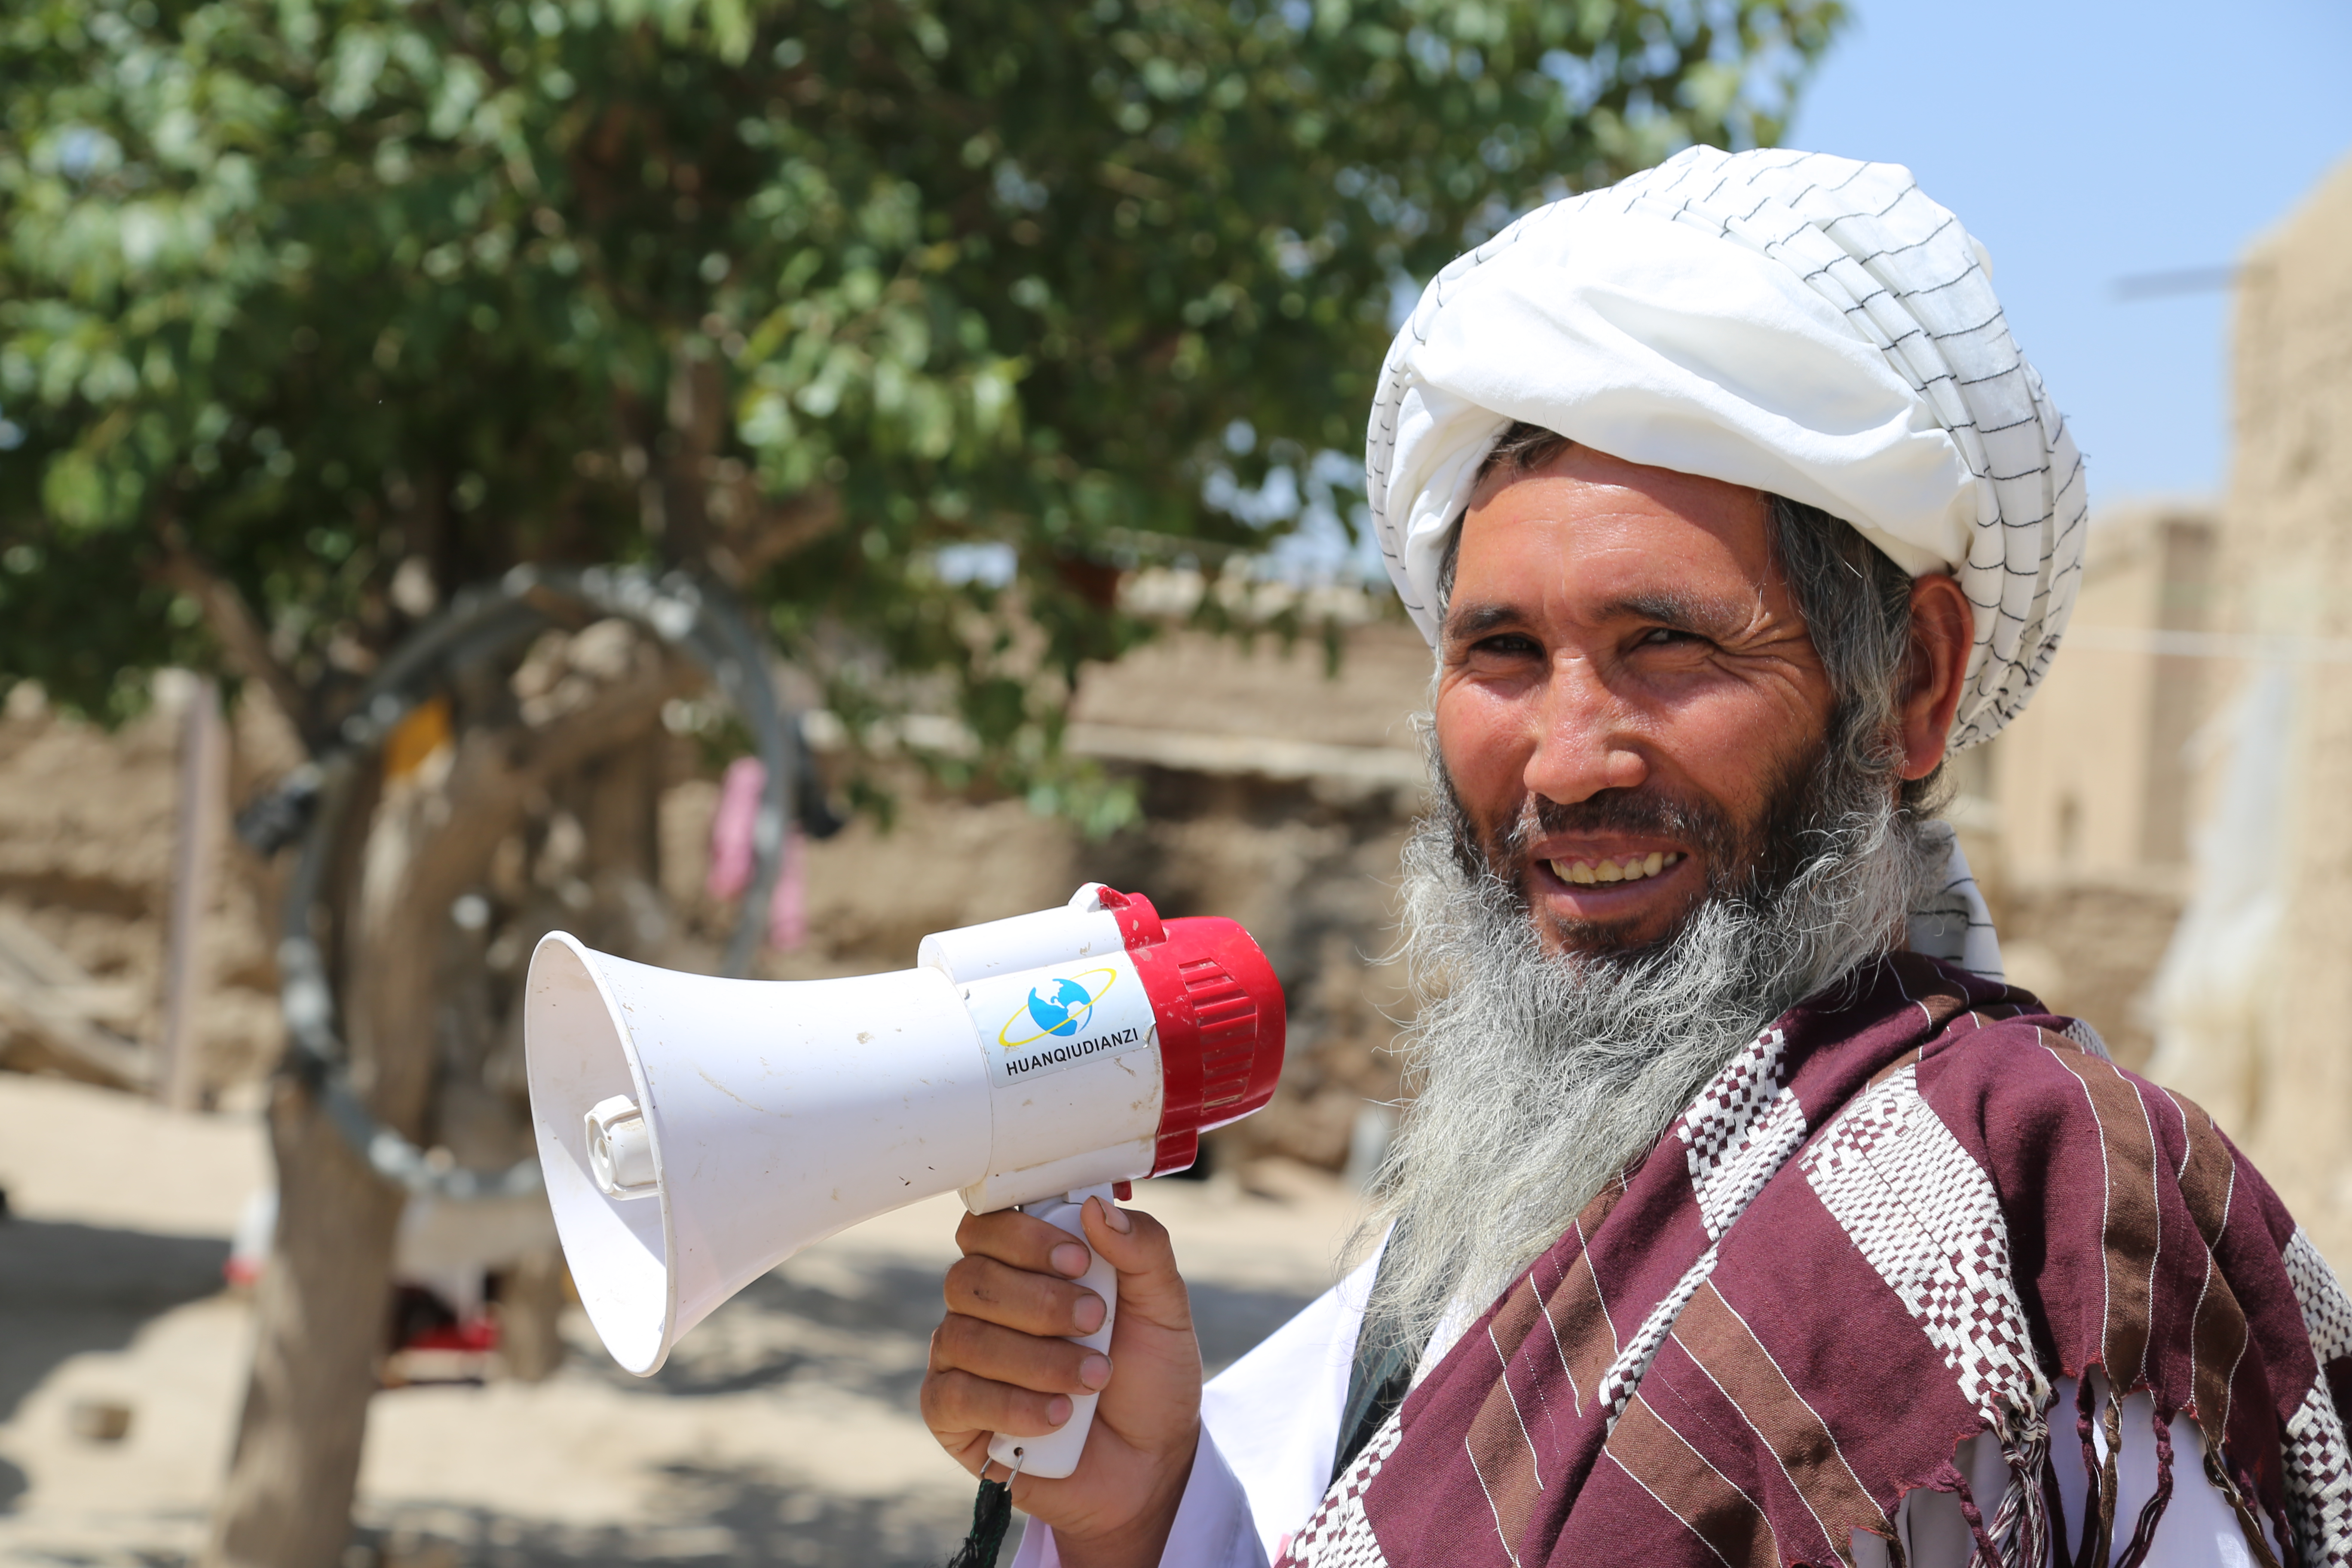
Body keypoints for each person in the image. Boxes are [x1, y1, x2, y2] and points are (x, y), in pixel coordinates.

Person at [919, 147, 2352, 1568]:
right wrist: (1143, 1507)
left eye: (1666, 644)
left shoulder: (2036, 1222)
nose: (1564, 758)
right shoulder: (1477, 1247)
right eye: (1500, 652)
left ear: (1910, 683)